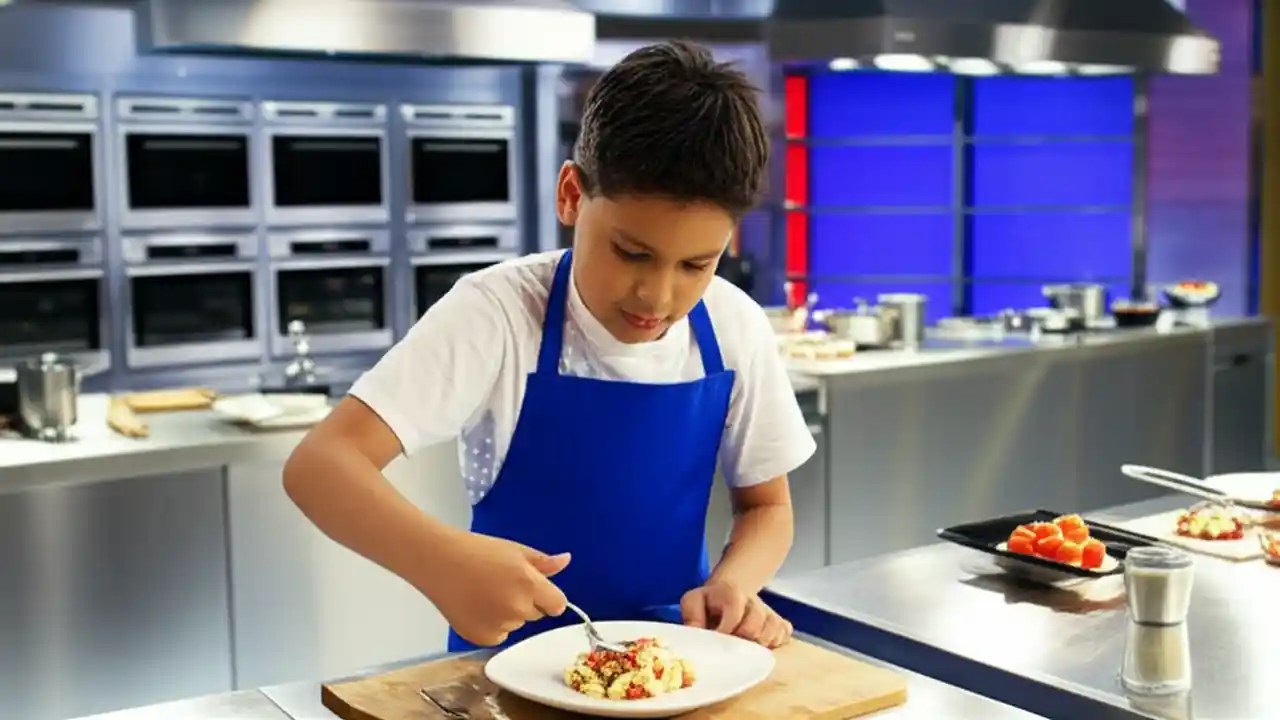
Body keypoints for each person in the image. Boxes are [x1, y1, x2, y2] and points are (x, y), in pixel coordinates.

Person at [283, 40, 816, 652]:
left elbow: (766, 510)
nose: (658, 296)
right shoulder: (499, 315)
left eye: (696, 263)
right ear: (571, 195)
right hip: (506, 675)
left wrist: (735, 585)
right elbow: (321, 466)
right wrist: (444, 563)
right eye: (631, 253)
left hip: (673, 668)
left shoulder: (733, 325)